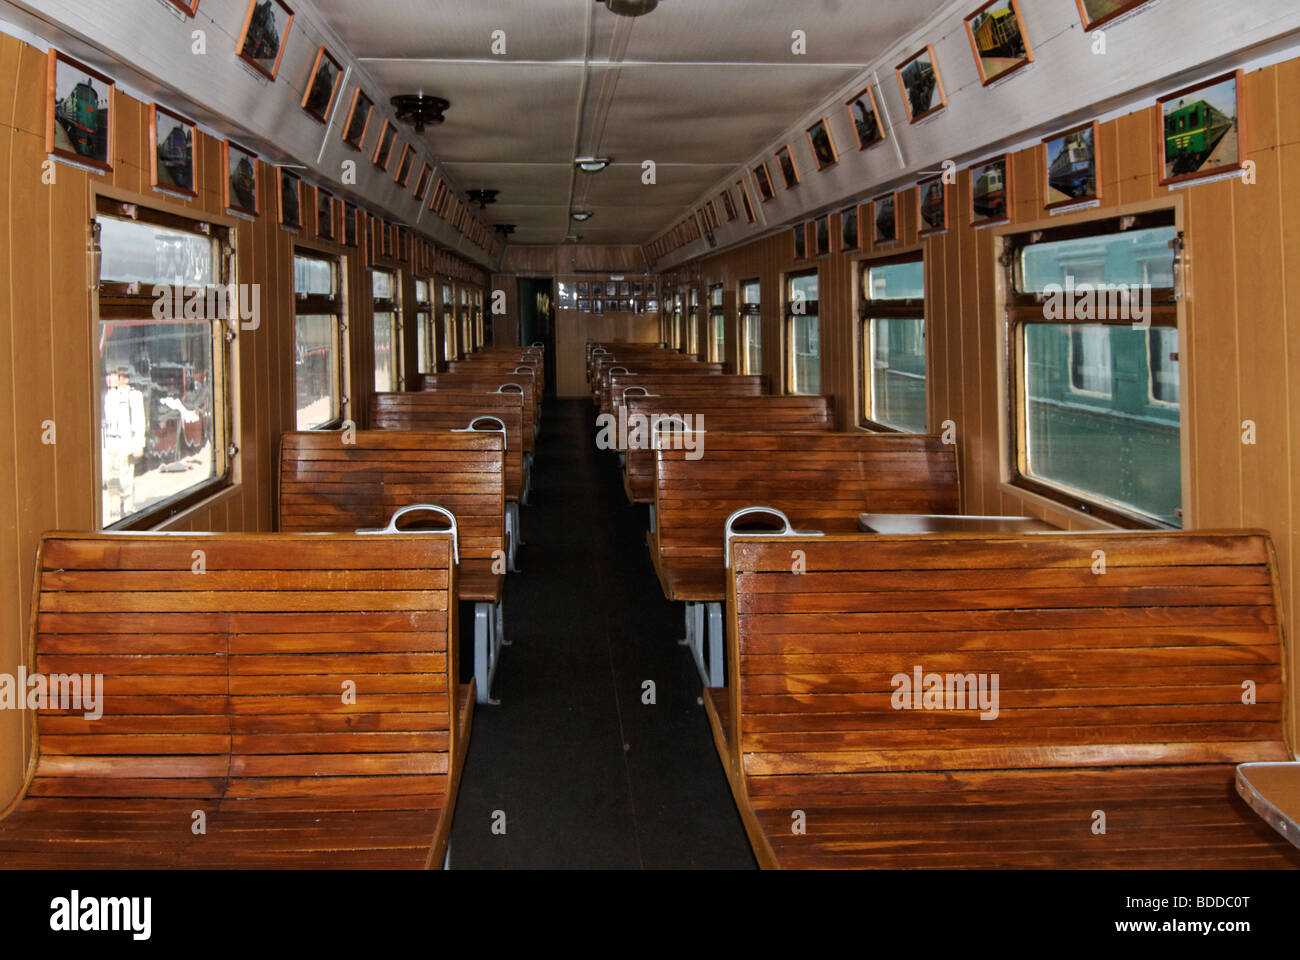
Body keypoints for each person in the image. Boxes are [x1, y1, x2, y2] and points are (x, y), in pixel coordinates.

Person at [102, 366, 145, 523]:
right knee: (111, 478)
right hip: (110, 442)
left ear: (123, 378)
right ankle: (115, 511)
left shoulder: (133, 395)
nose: (109, 378)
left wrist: (139, 444)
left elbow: (139, 420)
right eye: (109, 375)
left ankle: (128, 510)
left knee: (126, 479)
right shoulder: (107, 396)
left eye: (113, 375)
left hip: (124, 442)